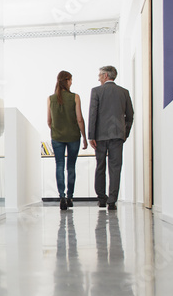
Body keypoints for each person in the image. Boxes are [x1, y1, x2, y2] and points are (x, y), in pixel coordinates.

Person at [87, 65, 134, 211]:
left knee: (100, 166)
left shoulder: (96, 91)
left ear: (106, 76)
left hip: (100, 136)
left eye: (100, 75)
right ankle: (112, 201)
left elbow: (93, 115)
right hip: (117, 135)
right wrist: (124, 133)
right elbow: (130, 115)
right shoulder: (124, 92)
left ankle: (102, 199)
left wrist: (91, 136)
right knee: (115, 168)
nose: (99, 78)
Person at [46, 70, 87, 210]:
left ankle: (61, 197)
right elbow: (80, 119)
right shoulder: (75, 97)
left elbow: (49, 121)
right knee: (71, 167)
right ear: (66, 81)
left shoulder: (50, 99)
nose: (71, 82)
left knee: (59, 165)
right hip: (73, 137)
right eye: (70, 80)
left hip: (57, 137)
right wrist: (85, 138)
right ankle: (70, 197)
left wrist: (57, 130)